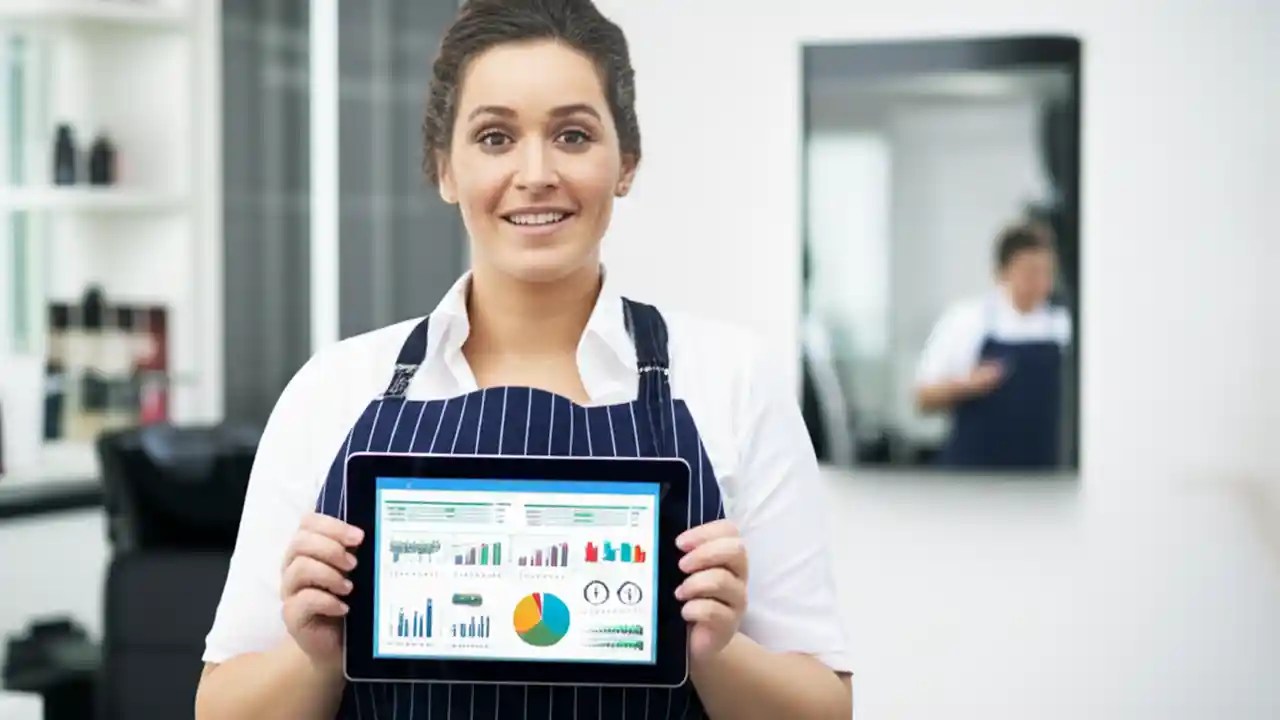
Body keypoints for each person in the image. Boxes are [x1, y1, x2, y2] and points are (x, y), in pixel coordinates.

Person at [194, 1, 852, 718]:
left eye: (572, 135)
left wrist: (720, 652)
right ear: (444, 169)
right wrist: (317, 657)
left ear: (625, 162)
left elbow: (824, 710)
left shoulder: (731, 380)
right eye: (495, 137)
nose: (535, 173)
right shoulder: (333, 390)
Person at [914, 221, 1072, 469]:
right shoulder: (966, 320)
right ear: (1002, 273)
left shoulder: (1063, 326)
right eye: (1030, 272)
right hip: (974, 475)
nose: (1040, 283)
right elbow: (923, 398)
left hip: (1045, 476)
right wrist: (969, 384)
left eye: (1046, 273)